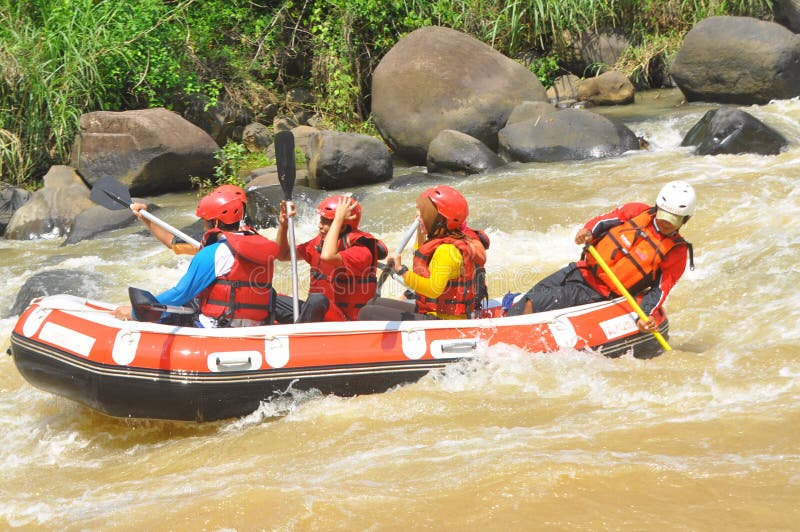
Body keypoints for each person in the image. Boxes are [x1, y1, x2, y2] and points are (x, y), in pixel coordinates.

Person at [508, 180, 696, 333]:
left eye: (673, 219)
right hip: (580, 270)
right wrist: (587, 231)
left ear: (685, 220)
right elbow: (602, 222)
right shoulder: (635, 211)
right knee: (529, 298)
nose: (665, 223)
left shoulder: (676, 252)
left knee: (533, 304)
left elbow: (660, 291)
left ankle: (511, 342)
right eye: (664, 216)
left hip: (598, 293)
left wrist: (644, 316)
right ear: (657, 207)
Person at [114, 185, 280, 327]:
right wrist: (145, 218)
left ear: (214, 223)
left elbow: (180, 293)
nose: (203, 223)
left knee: (176, 308)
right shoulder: (260, 244)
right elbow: (172, 242)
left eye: (205, 220)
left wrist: (136, 313)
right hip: (256, 326)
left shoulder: (213, 253)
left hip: (217, 326)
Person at [358, 185, 489, 321]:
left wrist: (401, 270)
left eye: (424, 214)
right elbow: (423, 261)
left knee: (367, 313)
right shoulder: (450, 239)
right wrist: (421, 229)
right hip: (435, 312)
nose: (419, 218)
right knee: (372, 303)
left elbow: (433, 289)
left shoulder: (447, 251)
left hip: (445, 320)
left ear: (439, 219)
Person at [276, 195, 388, 322]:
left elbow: (327, 256)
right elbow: (283, 255)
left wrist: (338, 219)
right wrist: (283, 225)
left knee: (317, 299)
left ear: (343, 226)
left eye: (326, 222)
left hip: (344, 320)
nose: (320, 226)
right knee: (271, 297)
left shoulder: (361, 251)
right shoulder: (318, 243)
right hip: (319, 312)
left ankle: (300, 336)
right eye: (321, 220)